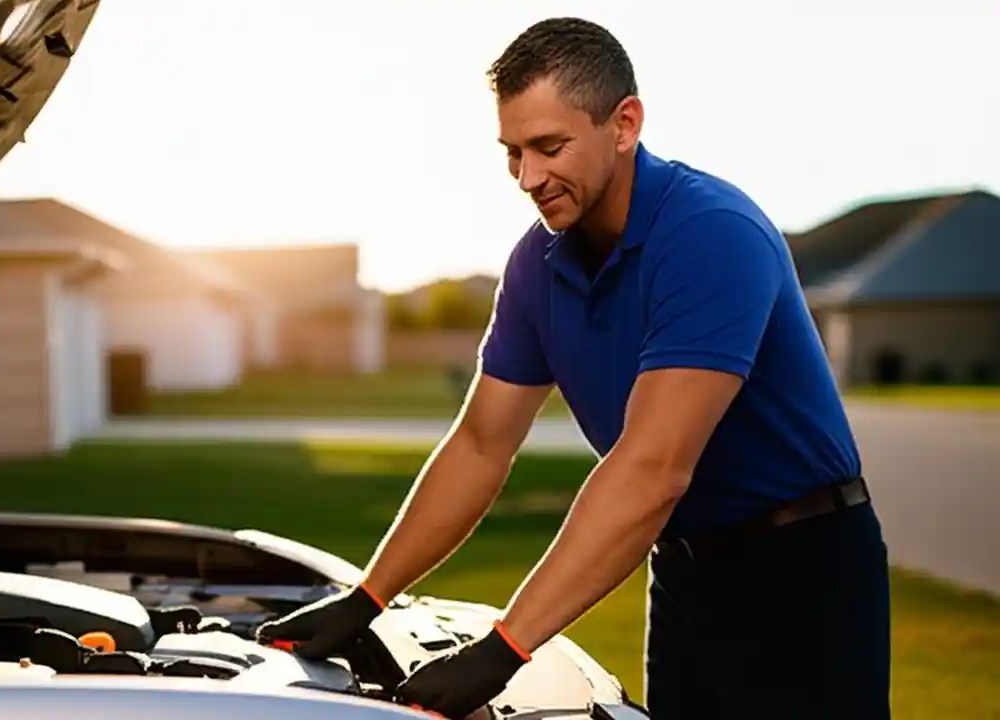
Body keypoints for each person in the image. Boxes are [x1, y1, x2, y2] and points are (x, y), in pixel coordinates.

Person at [256, 16, 891, 720]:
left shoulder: (711, 234)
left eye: (549, 147)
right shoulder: (537, 265)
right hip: (682, 571)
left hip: (803, 570)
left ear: (624, 124)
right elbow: (479, 445)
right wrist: (369, 597)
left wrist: (504, 648)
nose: (527, 177)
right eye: (512, 152)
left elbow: (653, 470)